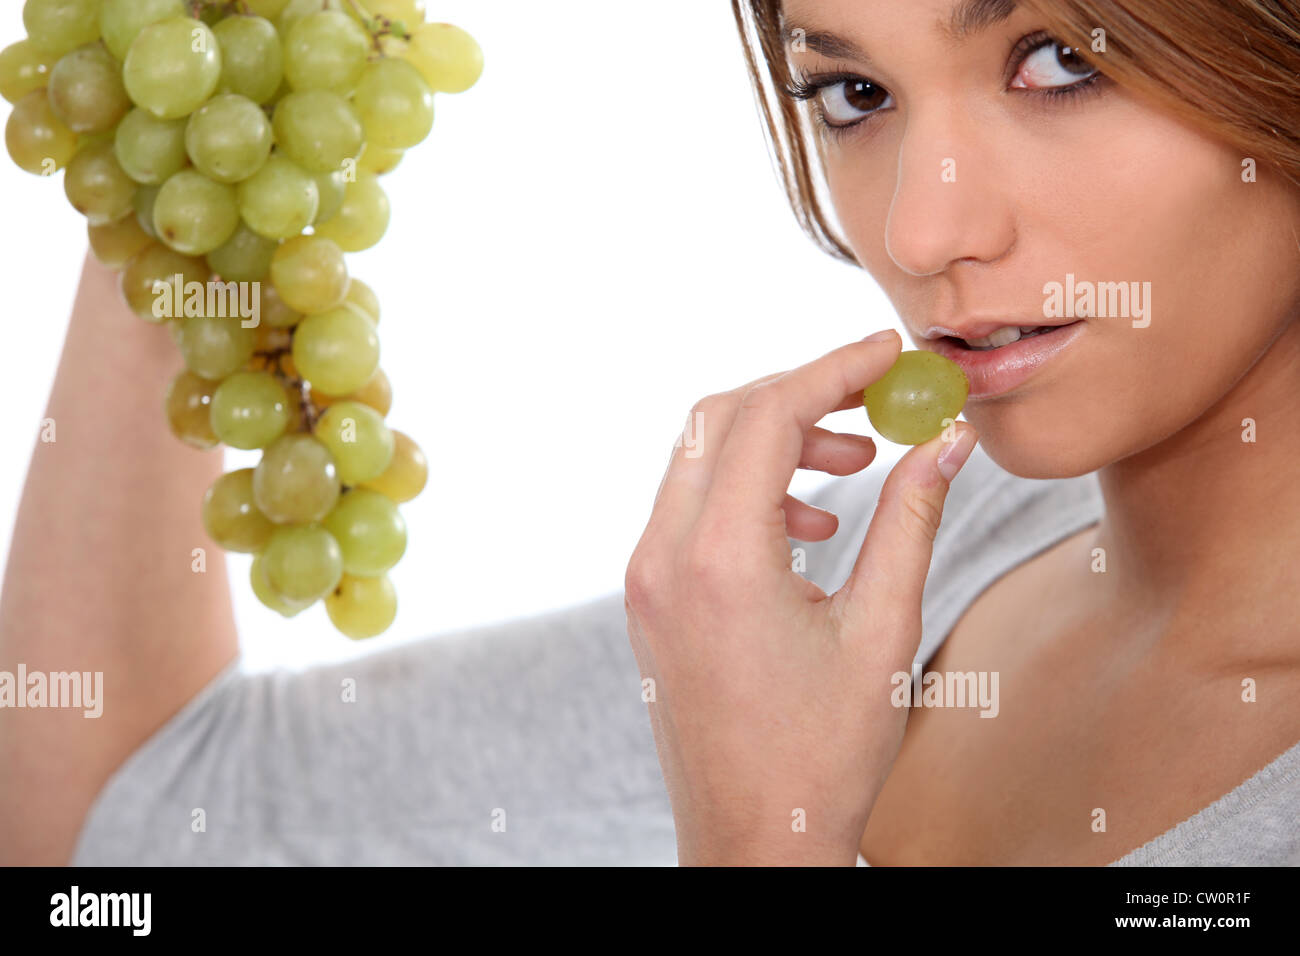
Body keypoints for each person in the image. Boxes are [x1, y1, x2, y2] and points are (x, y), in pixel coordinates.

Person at [3, 0, 1299, 866]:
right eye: (852, 91)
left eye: (1058, 60)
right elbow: (127, 829)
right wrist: (194, 144)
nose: (916, 231)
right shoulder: (879, 574)